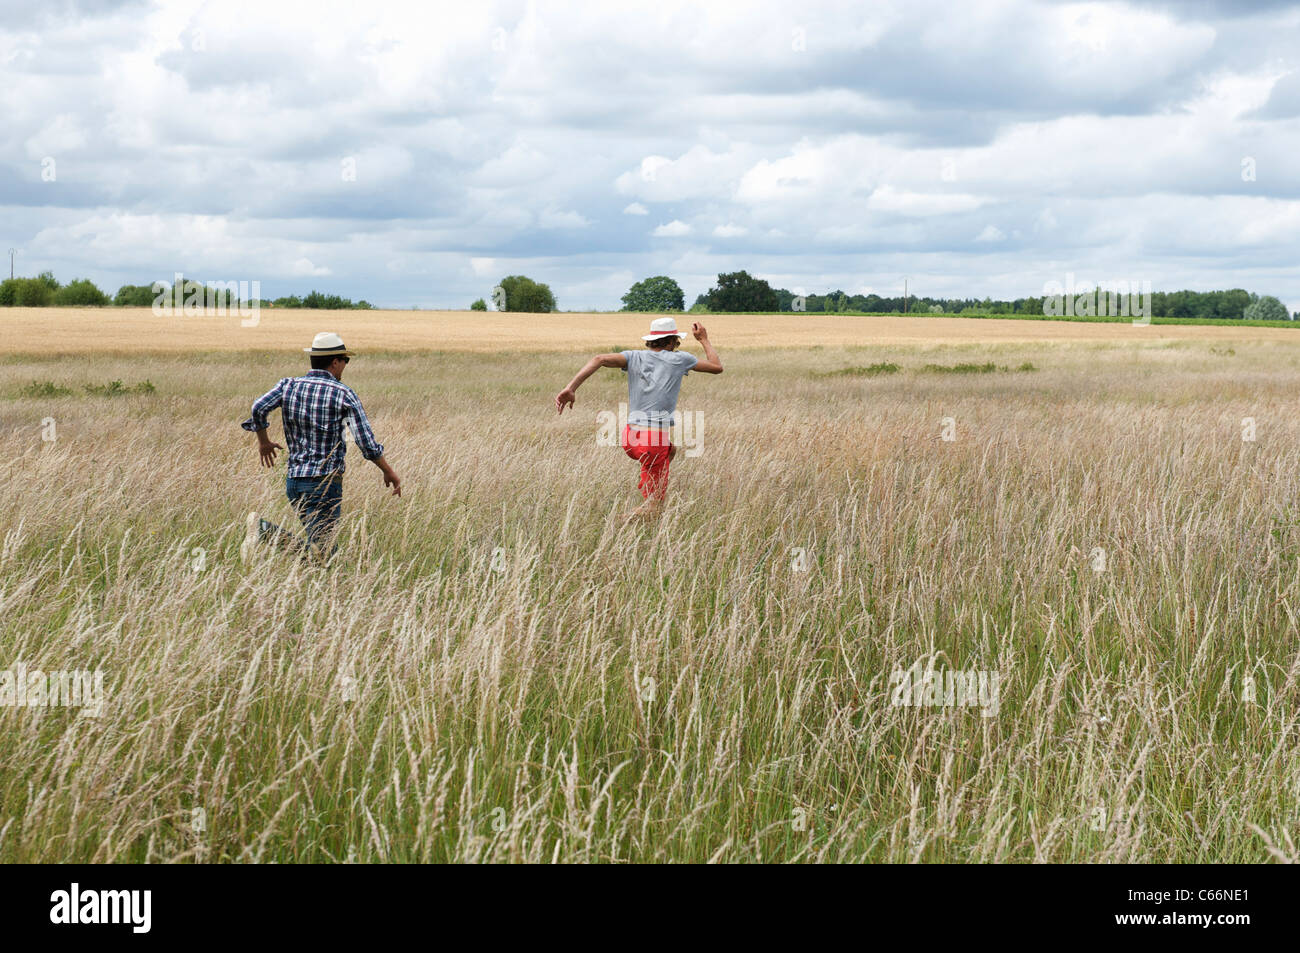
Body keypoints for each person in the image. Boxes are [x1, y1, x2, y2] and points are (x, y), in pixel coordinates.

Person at [240, 332, 400, 560]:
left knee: (318, 553)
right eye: (346, 360)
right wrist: (388, 470)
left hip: (294, 482)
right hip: (324, 483)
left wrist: (263, 441)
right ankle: (262, 530)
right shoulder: (343, 394)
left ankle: (265, 532)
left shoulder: (289, 385)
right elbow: (366, 443)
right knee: (325, 555)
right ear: (335, 362)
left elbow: (258, 407)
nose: (346, 365)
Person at [555, 317, 722, 520]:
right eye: (676, 342)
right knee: (654, 510)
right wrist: (703, 339)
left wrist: (570, 388)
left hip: (630, 438)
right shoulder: (680, 359)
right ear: (671, 341)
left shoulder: (633, 356)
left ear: (652, 340)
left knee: (671, 450)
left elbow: (599, 359)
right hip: (652, 441)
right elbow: (716, 366)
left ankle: (650, 482)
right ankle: (617, 522)